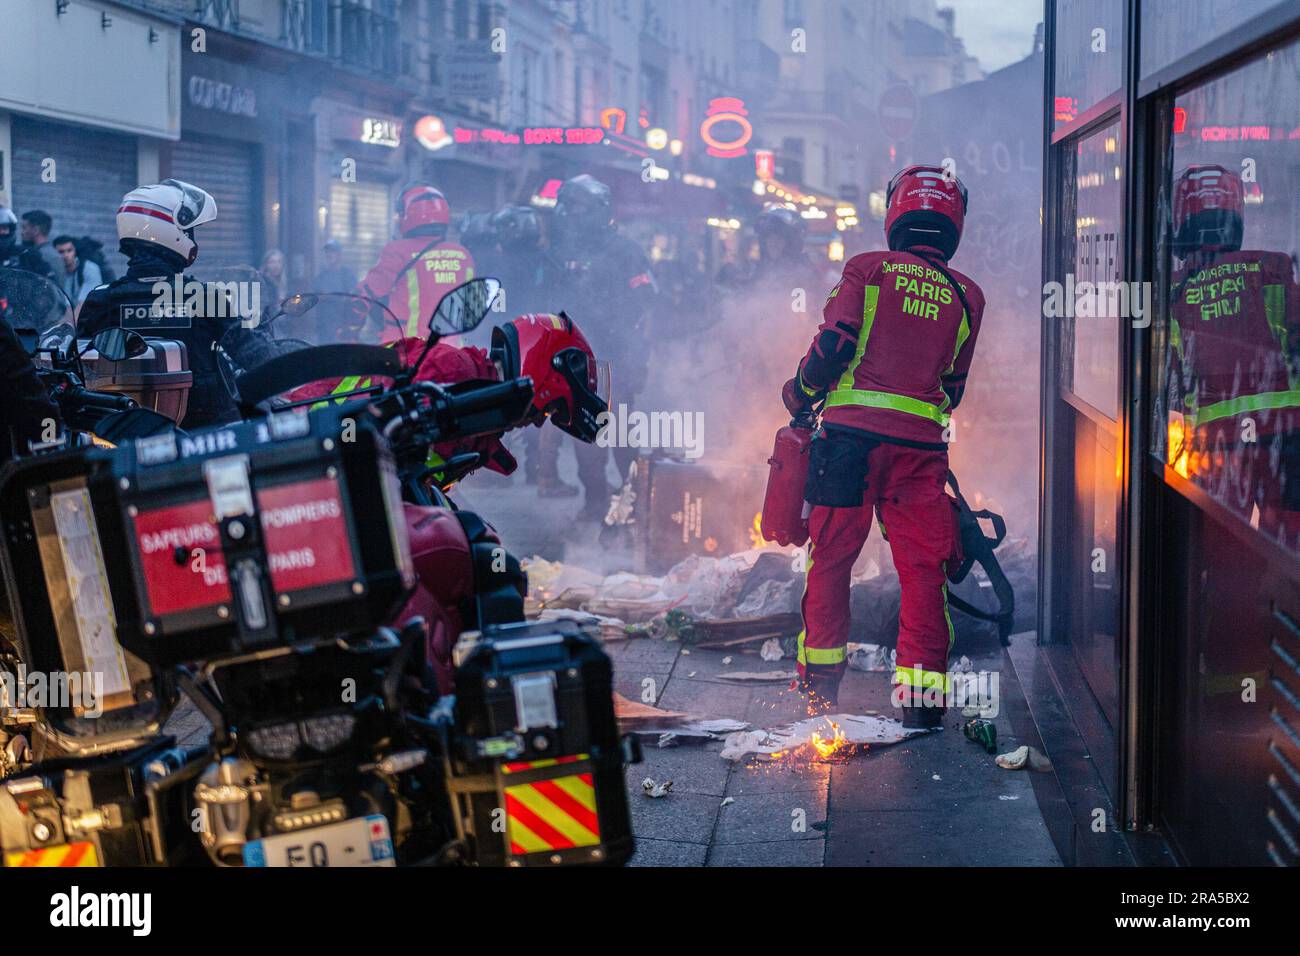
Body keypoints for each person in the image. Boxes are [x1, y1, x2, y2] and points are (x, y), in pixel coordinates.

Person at [783, 165, 986, 724]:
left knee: (831, 560)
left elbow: (834, 343)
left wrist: (799, 390)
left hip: (847, 445)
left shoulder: (867, 269)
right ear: (954, 223)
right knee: (923, 572)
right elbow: (954, 389)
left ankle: (820, 692)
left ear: (896, 211)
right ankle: (920, 706)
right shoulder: (969, 296)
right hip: (920, 454)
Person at [1165, 164, 1300, 545]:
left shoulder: (1174, 292)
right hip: (1287, 439)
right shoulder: (1271, 269)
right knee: (1290, 552)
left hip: (1219, 445)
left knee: (1222, 550)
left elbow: (1166, 376)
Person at [77, 179, 277, 430]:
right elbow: (253, 353)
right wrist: (298, 373)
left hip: (124, 431)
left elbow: (79, 366)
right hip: (206, 432)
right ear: (171, 232)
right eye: (189, 231)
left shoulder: (102, 299)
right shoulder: (202, 297)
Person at [542, 174, 657, 518]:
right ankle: (595, 502)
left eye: (577, 206)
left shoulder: (626, 251)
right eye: (568, 206)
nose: (570, 213)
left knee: (620, 435)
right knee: (584, 434)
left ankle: (634, 501)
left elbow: (646, 297)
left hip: (617, 357)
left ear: (596, 210)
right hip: (578, 361)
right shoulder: (560, 254)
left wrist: (623, 339)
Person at [359, 182, 475, 340]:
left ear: (408, 215)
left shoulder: (398, 251)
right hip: (454, 353)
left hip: (409, 353)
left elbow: (363, 296)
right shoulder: (463, 256)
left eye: (399, 214)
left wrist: (348, 332)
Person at [53, 234, 102, 305]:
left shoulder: (90, 268)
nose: (66, 255)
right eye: (61, 252)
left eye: (69, 250)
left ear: (75, 251)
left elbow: (83, 305)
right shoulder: (55, 271)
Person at [19, 210, 63, 278]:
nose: (22, 232)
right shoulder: (30, 253)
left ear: (35, 230)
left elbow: (58, 287)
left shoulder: (51, 257)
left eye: (24, 228)